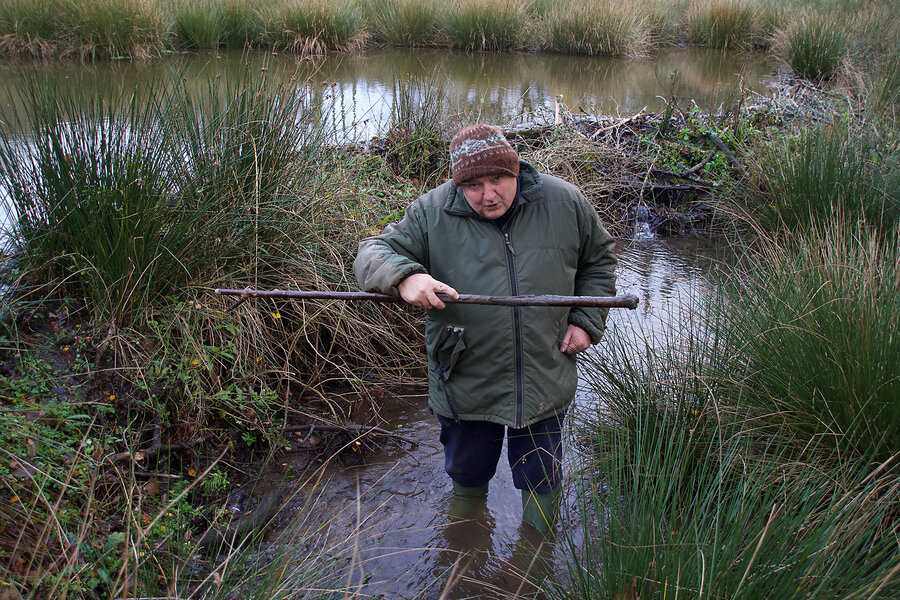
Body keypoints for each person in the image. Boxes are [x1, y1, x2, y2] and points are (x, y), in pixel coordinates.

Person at [353, 124, 617, 533]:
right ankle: (467, 549)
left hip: (545, 374)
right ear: (458, 184)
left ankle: (533, 557)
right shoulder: (430, 212)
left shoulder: (564, 201)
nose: (488, 194)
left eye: (498, 179)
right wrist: (405, 277)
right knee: (467, 474)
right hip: (465, 378)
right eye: (474, 185)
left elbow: (598, 262)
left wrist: (585, 321)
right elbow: (372, 251)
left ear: (516, 170)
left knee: (542, 476)